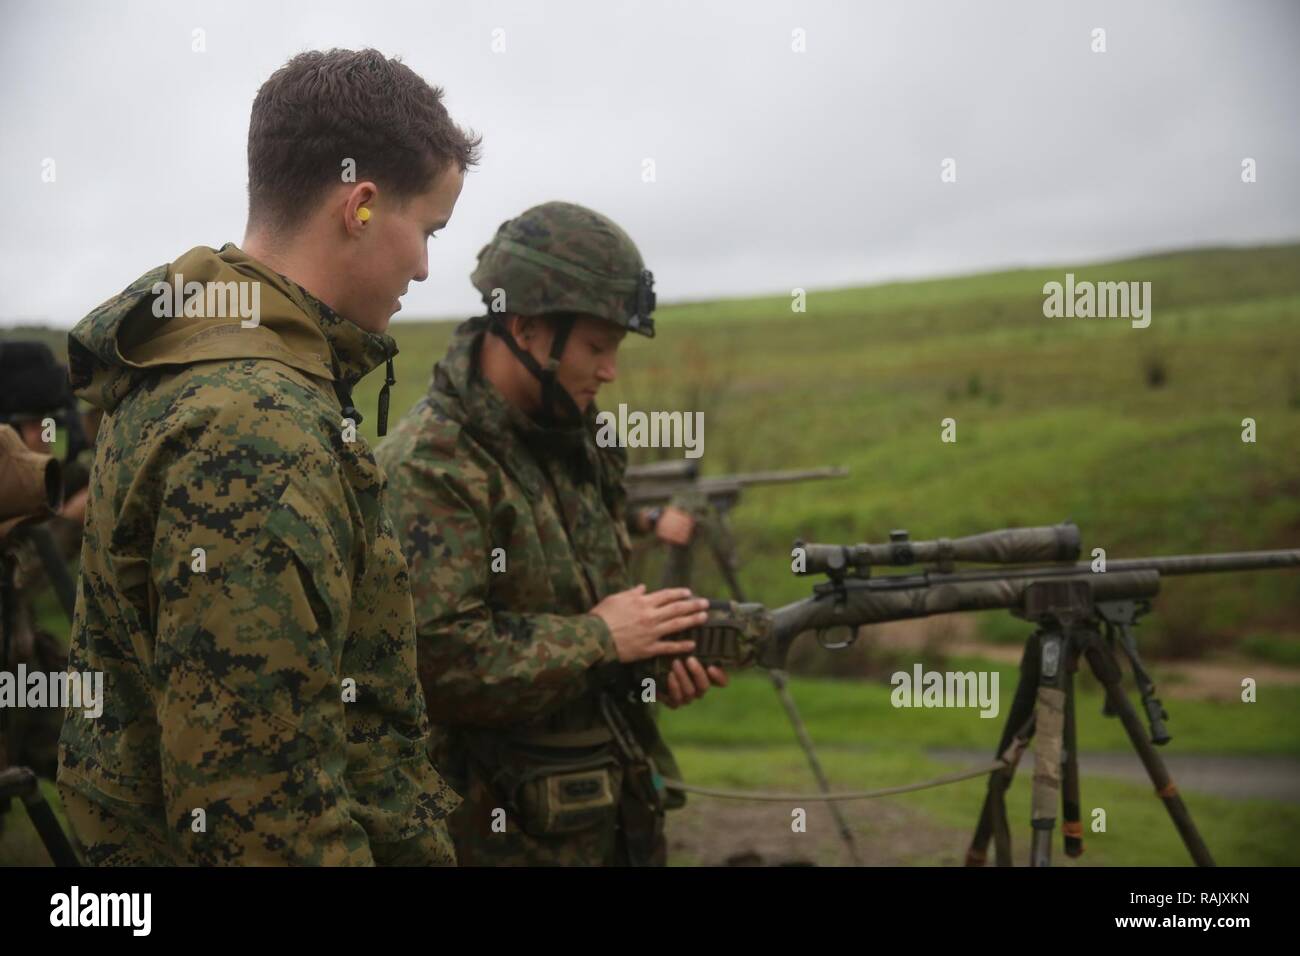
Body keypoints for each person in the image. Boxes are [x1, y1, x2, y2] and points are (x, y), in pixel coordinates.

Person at [56, 48, 478, 865]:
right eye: (427, 230)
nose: (426, 267)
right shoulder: (256, 423)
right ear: (360, 205)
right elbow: (265, 816)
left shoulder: (183, 362)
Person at [376, 201, 727, 866]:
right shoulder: (431, 465)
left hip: (610, 819)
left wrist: (650, 659)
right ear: (527, 328)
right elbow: (439, 663)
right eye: (597, 347)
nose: (609, 371)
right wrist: (602, 639)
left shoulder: (575, 444)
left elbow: (593, 614)